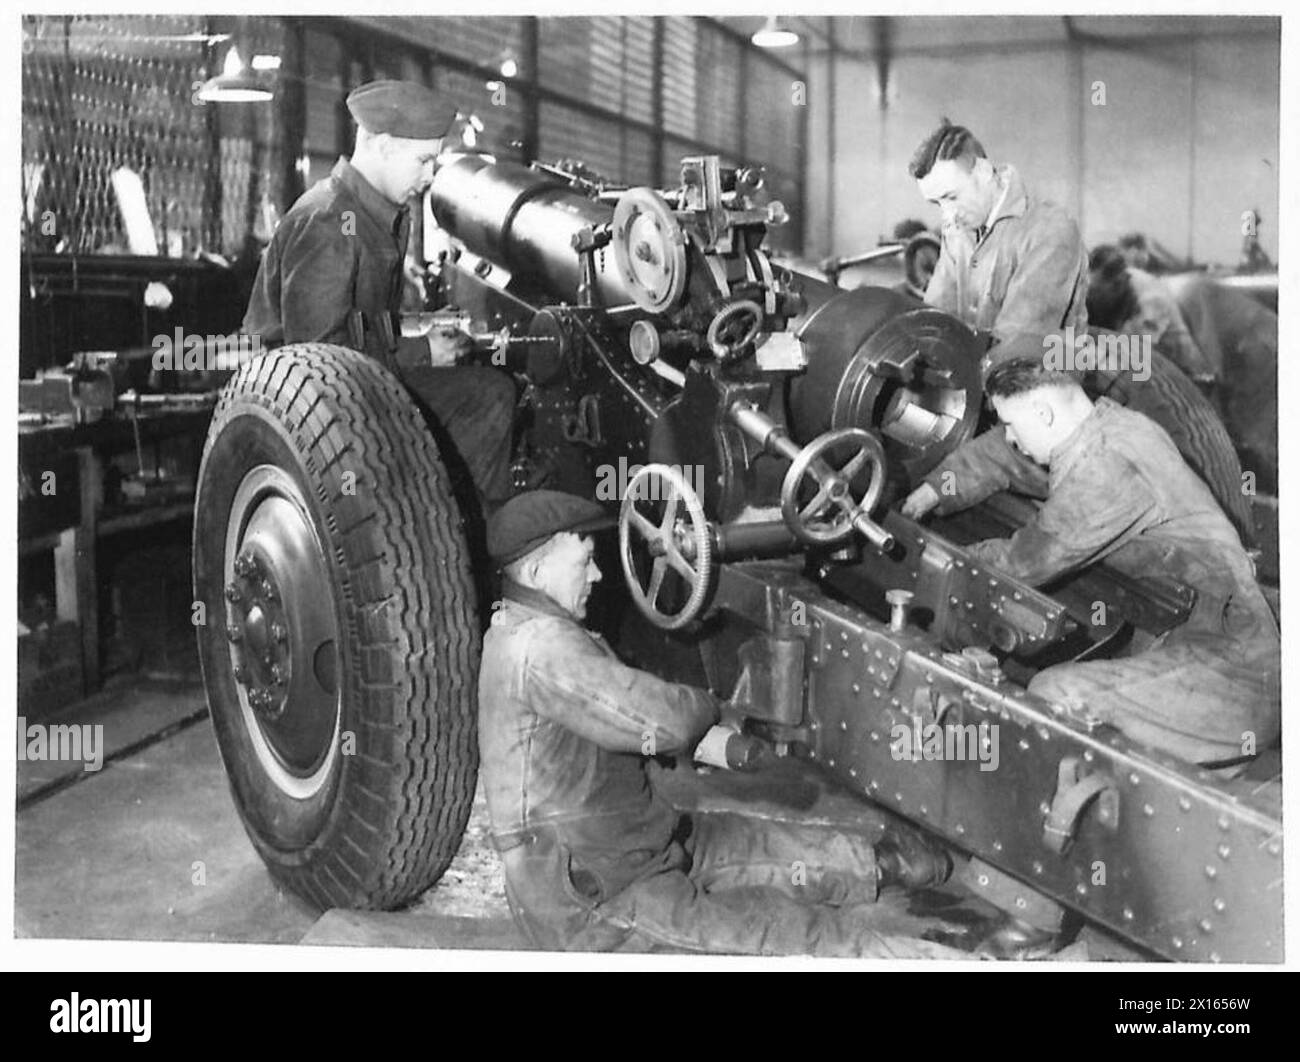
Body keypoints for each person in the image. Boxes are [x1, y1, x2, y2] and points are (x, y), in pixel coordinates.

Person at [477, 490, 962, 957]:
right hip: (594, 897)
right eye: (584, 561)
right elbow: (660, 722)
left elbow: (624, 727)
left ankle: (884, 864)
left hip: (633, 843)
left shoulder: (538, 629)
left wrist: (716, 741)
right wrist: (710, 708)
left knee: (756, 843)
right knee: (781, 933)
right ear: (538, 572)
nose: (600, 573)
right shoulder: (538, 649)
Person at [902, 353, 1279, 767]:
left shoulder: (1110, 465)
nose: (1008, 436)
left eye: (1011, 425)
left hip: (1232, 671)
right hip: (1171, 629)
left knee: (1053, 697)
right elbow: (1002, 455)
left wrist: (918, 554)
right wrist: (935, 490)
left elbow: (1025, 561)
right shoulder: (1099, 427)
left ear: (1043, 413)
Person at [242, 79, 514, 512]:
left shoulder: (373, 214)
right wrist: (422, 352)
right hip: (304, 410)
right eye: (423, 161)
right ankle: (471, 533)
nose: (429, 179)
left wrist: (424, 327)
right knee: (488, 397)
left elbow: (360, 325)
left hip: (351, 384)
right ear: (383, 145)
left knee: (486, 387)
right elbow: (318, 358)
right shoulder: (330, 220)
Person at [910, 119, 1087, 353]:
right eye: (936, 203)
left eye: (951, 197)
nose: (947, 215)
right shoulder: (957, 232)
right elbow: (935, 318)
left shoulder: (1050, 230)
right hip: (975, 372)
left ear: (983, 172)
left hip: (1040, 380)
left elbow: (1019, 343)